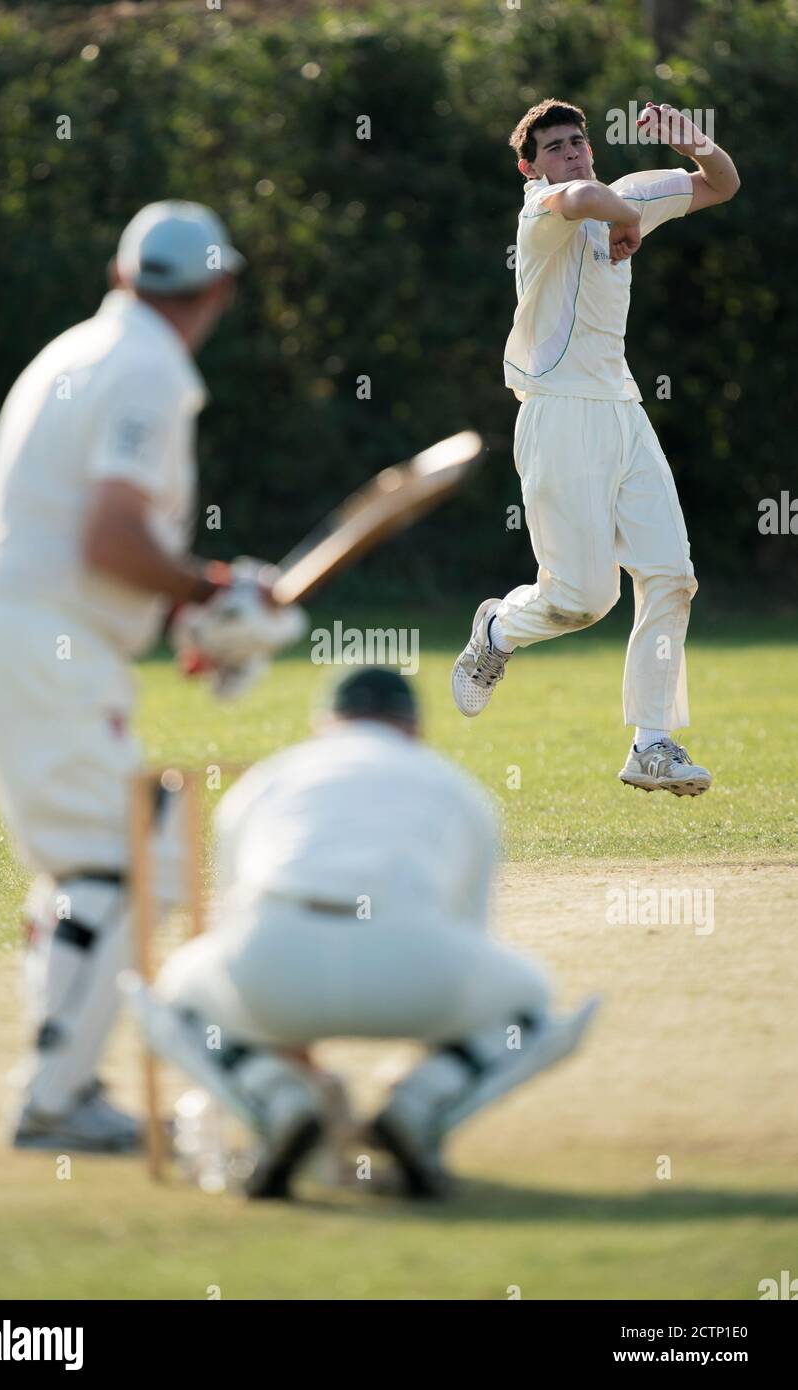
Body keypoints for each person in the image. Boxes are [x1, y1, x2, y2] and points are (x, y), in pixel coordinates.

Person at [0, 200, 303, 1152]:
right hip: (37, 644)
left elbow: (91, 541)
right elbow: (112, 536)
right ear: (218, 290)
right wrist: (212, 587)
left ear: (121, 276)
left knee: (98, 865)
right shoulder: (147, 369)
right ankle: (56, 1102)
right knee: (127, 858)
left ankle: (62, 1085)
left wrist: (189, 607)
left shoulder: (80, 351)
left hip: (23, 638)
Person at [125, 669, 597, 1199]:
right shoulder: (460, 789)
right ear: (414, 727)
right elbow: (472, 932)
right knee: (531, 1001)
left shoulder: (267, 781)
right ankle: (419, 1105)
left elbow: (235, 924)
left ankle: (279, 1098)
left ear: (324, 724)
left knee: (175, 994)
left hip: (275, 963)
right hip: (416, 969)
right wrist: (435, 1050)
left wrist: (286, 1048)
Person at [451, 100, 740, 797]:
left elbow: (722, 185)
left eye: (578, 141)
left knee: (672, 574)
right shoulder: (545, 210)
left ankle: (652, 742)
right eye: (554, 147)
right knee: (583, 601)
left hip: (623, 411)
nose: (573, 154)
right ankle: (498, 629)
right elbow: (583, 198)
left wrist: (693, 140)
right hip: (557, 416)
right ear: (530, 168)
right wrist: (623, 216)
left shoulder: (628, 192)